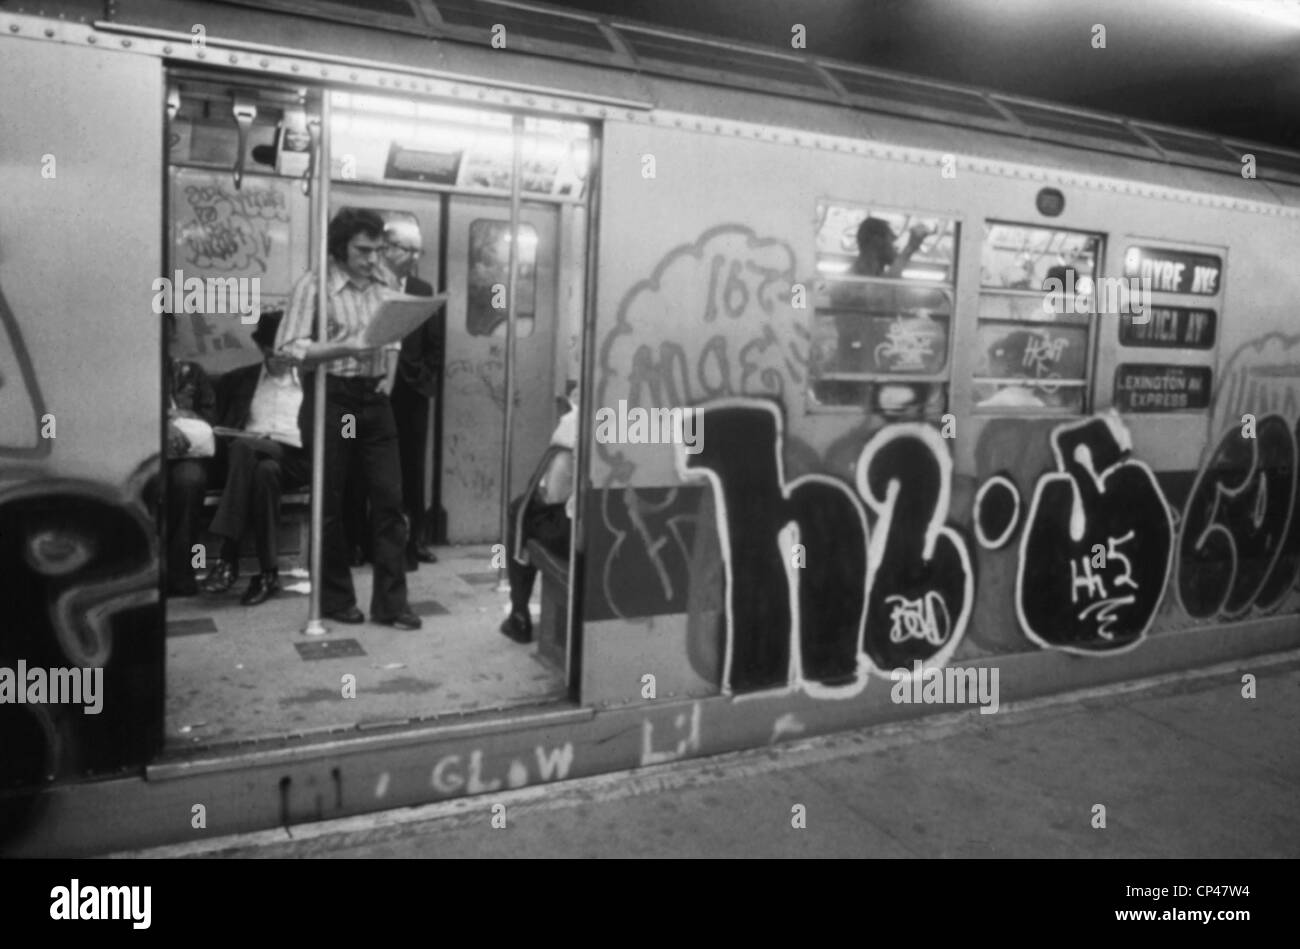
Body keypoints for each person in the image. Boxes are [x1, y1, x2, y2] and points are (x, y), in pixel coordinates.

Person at [275, 208, 422, 630]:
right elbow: (290, 347)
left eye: (377, 250)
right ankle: (338, 598)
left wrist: (389, 377)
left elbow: (393, 332)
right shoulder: (315, 285)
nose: (372, 258)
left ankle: (391, 604)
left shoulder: (386, 282)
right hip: (335, 401)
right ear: (341, 248)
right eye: (363, 250)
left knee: (390, 499)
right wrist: (344, 349)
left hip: (372, 400)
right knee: (332, 500)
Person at [199, 309, 310, 605]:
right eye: (276, 352)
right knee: (262, 471)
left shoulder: (312, 383)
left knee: (249, 450)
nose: (283, 358)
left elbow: (341, 425)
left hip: (295, 457)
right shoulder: (239, 381)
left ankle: (227, 558)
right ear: (262, 349)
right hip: (251, 461)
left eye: (290, 350)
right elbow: (220, 427)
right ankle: (268, 574)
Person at [384, 218, 445, 571]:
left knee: (413, 465)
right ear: (389, 249)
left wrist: (423, 375)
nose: (413, 257)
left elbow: (434, 342)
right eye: (408, 250)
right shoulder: (374, 286)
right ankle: (367, 539)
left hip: (412, 392)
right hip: (378, 389)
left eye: (417, 251)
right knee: (374, 464)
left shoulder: (423, 289)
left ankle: (416, 538)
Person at [500, 391, 577, 644]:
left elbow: (554, 491)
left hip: (575, 532)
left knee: (520, 511)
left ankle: (519, 614)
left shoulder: (576, 422)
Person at [164, 313, 217, 597]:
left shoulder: (192, 372)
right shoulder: (130, 372)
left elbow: (211, 417)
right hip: (142, 454)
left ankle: (179, 574)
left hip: (186, 456)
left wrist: (183, 415)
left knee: (190, 481)